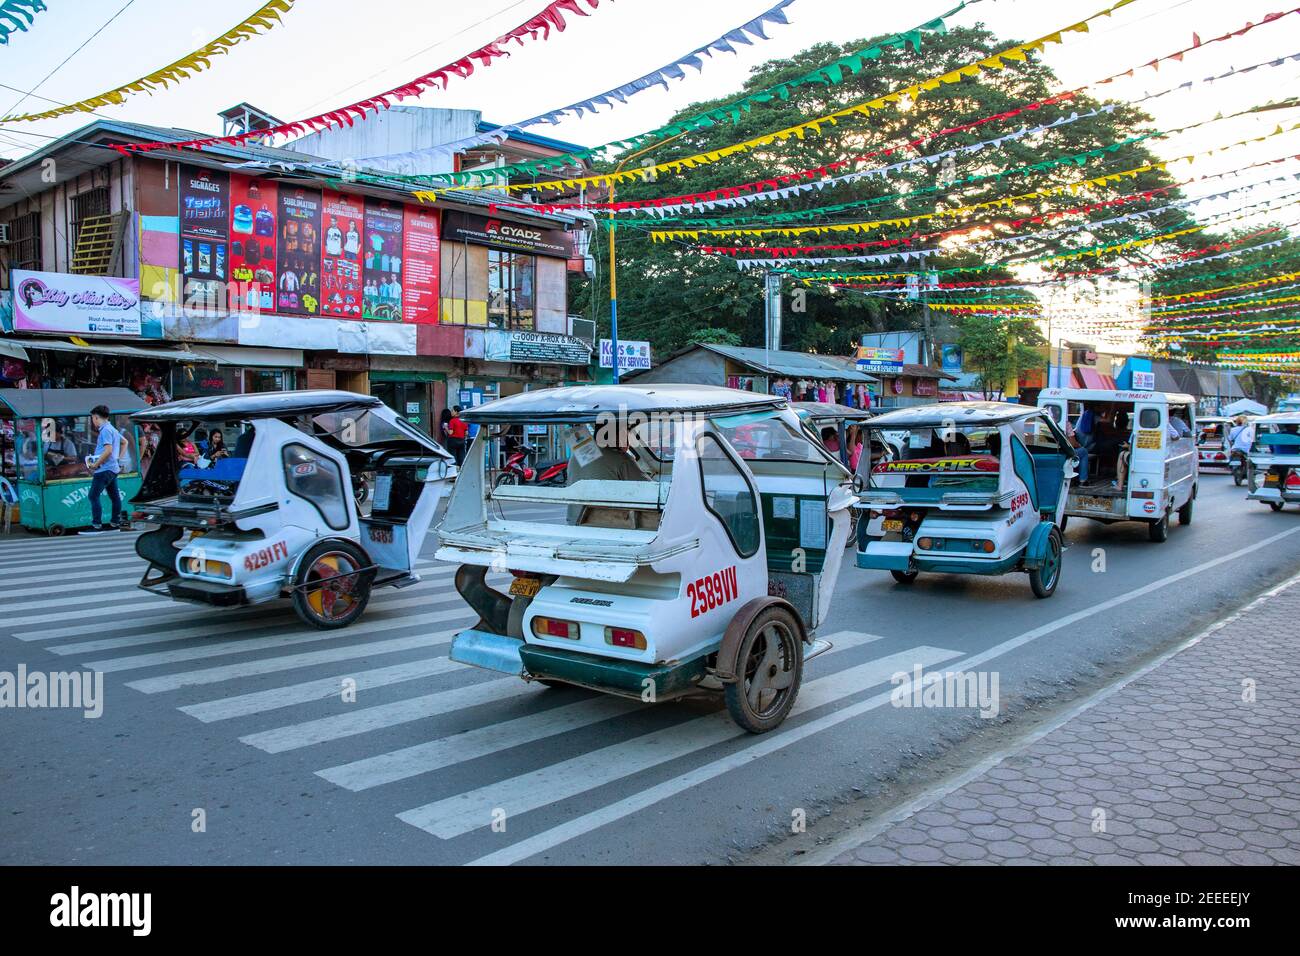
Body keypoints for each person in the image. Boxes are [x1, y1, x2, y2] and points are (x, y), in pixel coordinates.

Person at [81, 405, 126, 534]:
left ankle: (96, 525)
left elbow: (108, 450)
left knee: (93, 496)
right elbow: (125, 443)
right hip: (113, 468)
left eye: (92, 418)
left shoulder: (105, 430)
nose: (93, 421)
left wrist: (95, 465)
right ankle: (115, 523)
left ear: (96, 417)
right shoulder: (113, 429)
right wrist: (117, 459)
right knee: (114, 497)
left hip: (104, 469)